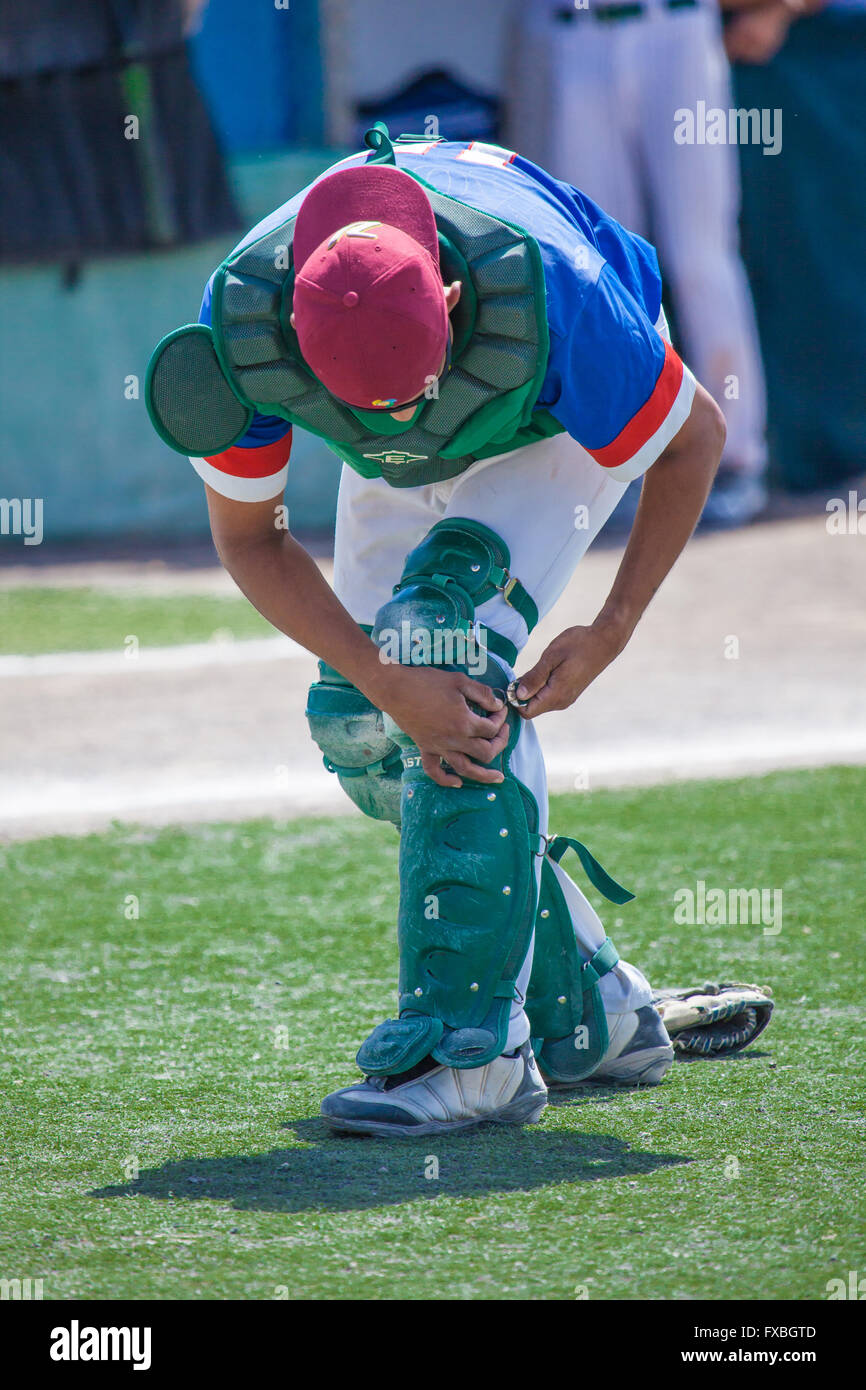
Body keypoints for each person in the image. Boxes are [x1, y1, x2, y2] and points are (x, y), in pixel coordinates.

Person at [145, 127, 726, 1137]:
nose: (395, 414)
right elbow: (251, 539)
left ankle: (475, 1055)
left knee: (441, 650)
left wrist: (611, 625)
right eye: (366, 404)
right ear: (290, 332)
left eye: (410, 392)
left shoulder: (560, 295)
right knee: (366, 729)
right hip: (399, 454)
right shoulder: (239, 321)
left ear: (455, 305)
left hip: (543, 425)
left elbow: (693, 441)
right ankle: (593, 1009)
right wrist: (372, 678)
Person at [507, 0, 767, 528]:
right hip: (571, 34)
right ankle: (618, 459)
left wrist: (776, 10)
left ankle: (736, 458)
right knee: (593, 267)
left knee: (700, 255)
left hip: (675, 27)